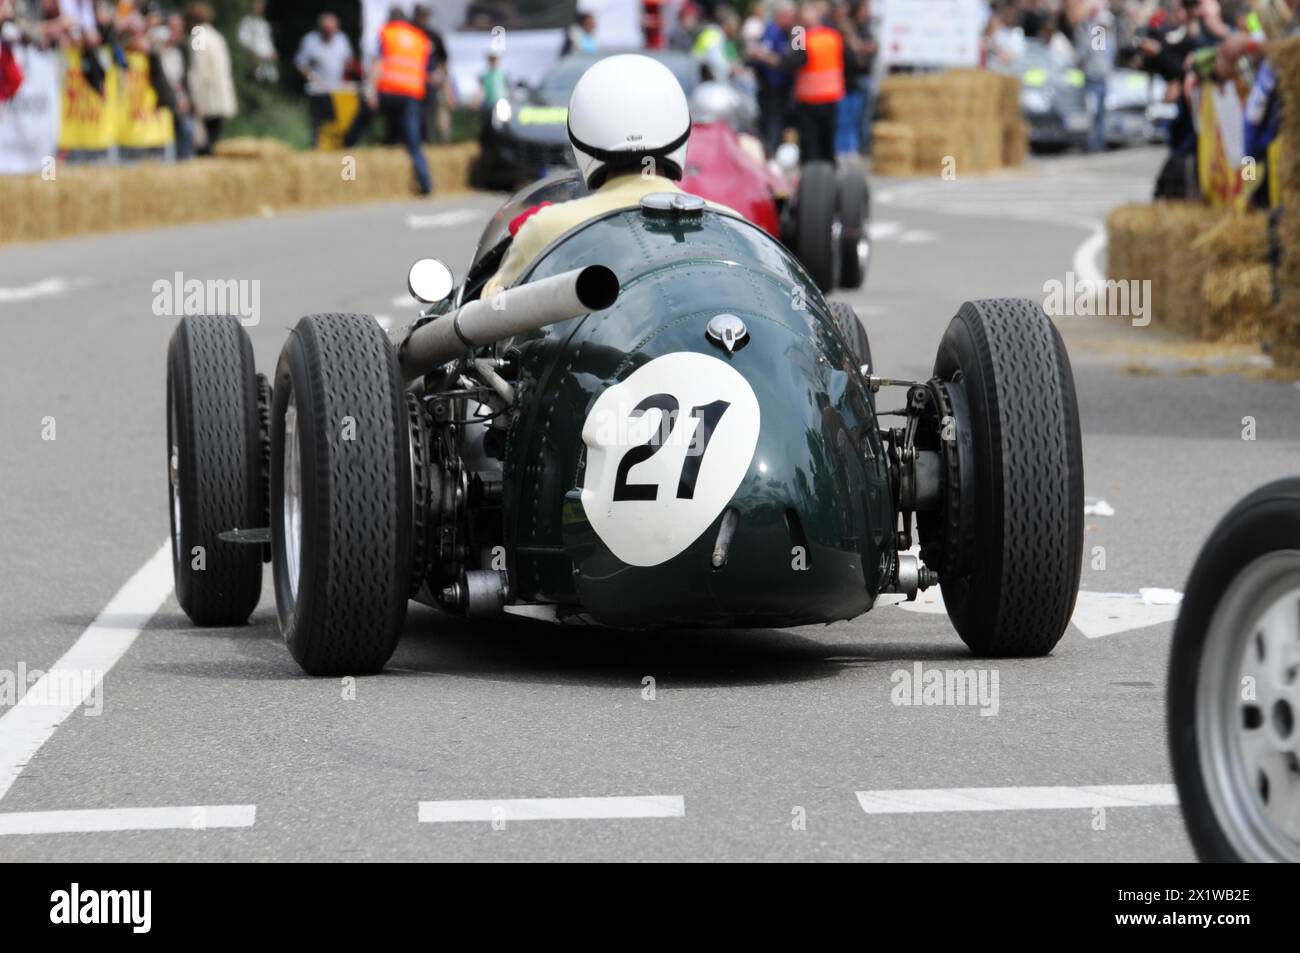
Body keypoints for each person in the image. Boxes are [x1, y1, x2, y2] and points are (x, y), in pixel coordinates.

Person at [482, 53, 730, 298]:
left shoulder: (547, 228)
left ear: (579, 131)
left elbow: (491, 312)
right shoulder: (730, 224)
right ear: (681, 127)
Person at [344, 6, 433, 196]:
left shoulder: (386, 33)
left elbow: (379, 63)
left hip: (388, 89)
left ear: (390, 19)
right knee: (414, 143)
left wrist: (371, 91)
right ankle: (426, 184)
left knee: (362, 121)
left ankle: (346, 151)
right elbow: (426, 71)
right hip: (411, 94)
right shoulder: (420, 38)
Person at [791, 1, 843, 164]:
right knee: (827, 138)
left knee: (810, 141)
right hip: (830, 94)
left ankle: (813, 174)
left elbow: (794, 61)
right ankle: (830, 171)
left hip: (809, 97)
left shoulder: (799, 34)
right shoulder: (833, 34)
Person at [747, 0, 799, 155]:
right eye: (790, 15)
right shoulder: (772, 30)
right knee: (773, 126)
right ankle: (771, 155)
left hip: (789, 88)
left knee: (784, 126)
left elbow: (797, 58)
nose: (793, 18)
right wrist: (779, 61)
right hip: (772, 89)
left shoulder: (796, 31)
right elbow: (759, 56)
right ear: (780, 16)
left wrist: (780, 61)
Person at [294, 12, 353, 146]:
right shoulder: (310, 40)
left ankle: (337, 147)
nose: (329, 33)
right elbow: (300, 63)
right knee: (318, 123)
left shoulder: (342, 40)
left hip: (338, 91)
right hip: (317, 91)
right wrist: (312, 78)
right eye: (327, 30)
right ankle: (316, 147)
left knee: (338, 122)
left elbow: (348, 62)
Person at [185, 2, 236, 156]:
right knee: (215, 136)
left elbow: (198, 69)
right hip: (220, 93)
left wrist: (193, 95)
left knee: (204, 140)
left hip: (208, 95)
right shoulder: (216, 35)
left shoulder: (198, 34)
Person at [1068, 0, 1116, 152]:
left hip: (1098, 78)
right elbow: (1094, 54)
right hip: (1095, 78)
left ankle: (1097, 143)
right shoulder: (1097, 32)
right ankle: (1095, 143)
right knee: (1095, 113)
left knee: (1097, 113)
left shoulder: (1099, 33)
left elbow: (1097, 56)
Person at [412, 4, 451, 144]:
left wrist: (444, 81)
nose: (424, 18)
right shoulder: (409, 34)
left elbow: (443, 61)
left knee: (433, 112)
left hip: (432, 83)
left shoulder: (434, 36)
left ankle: (432, 140)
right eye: (422, 15)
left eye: (426, 15)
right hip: (413, 82)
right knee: (414, 113)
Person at [237, 0, 277, 84]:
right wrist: (252, 54)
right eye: (257, 4)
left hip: (266, 65)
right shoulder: (246, 21)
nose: (260, 7)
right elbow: (242, 42)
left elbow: (268, 43)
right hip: (251, 63)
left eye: (262, 4)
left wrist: (273, 52)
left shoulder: (265, 24)